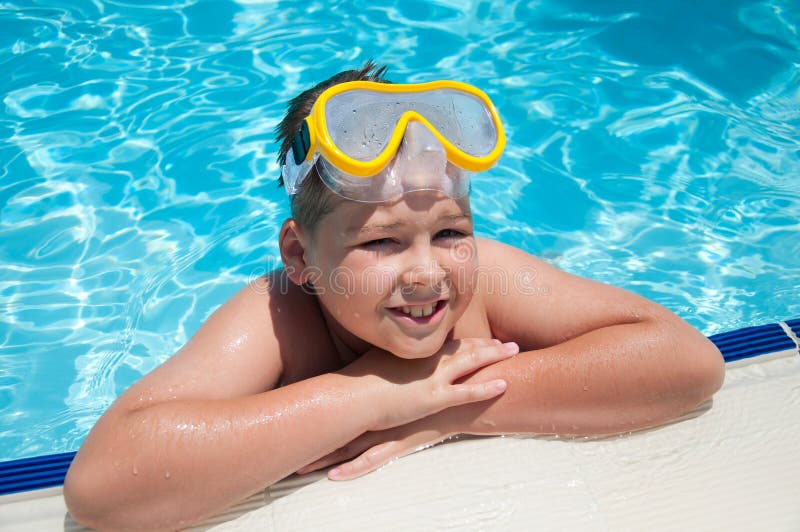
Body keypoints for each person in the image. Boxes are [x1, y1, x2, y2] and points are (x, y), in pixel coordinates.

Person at [64, 62, 725, 531]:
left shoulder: (488, 281)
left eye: (450, 232)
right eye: (381, 242)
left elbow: (685, 361)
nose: (427, 273)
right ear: (300, 256)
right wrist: (370, 396)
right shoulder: (277, 314)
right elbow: (103, 486)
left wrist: (442, 410)